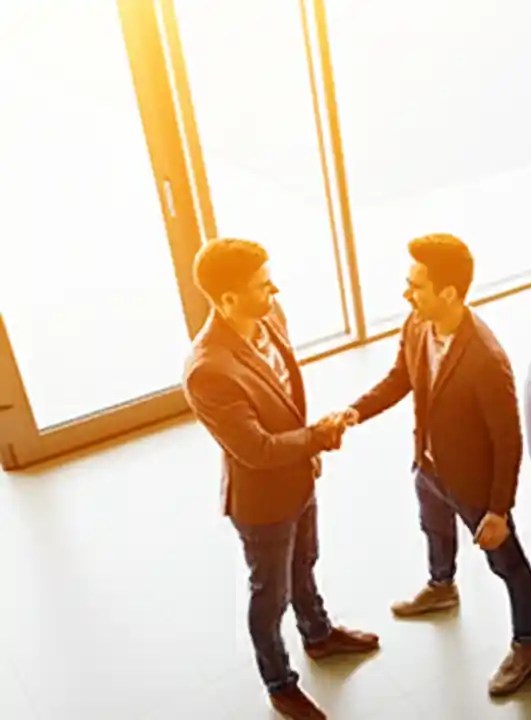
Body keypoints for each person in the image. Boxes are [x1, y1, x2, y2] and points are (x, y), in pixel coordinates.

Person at [337, 233, 531, 696]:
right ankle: (441, 586)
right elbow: (399, 378)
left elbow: (507, 440)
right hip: (428, 466)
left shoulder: (487, 361)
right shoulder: (416, 325)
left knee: (509, 564)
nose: (408, 294)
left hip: (472, 484)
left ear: (449, 292)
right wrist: (356, 411)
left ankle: (527, 646)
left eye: (417, 286)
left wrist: (496, 510)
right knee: (434, 528)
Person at [182, 238, 379, 720]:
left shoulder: (270, 316)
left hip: (297, 476)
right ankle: (279, 683)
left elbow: (285, 393)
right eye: (261, 285)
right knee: (269, 596)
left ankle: (318, 634)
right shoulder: (207, 370)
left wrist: (307, 449)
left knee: (305, 562)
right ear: (227, 299)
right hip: (262, 500)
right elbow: (255, 450)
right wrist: (315, 439)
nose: (274, 289)